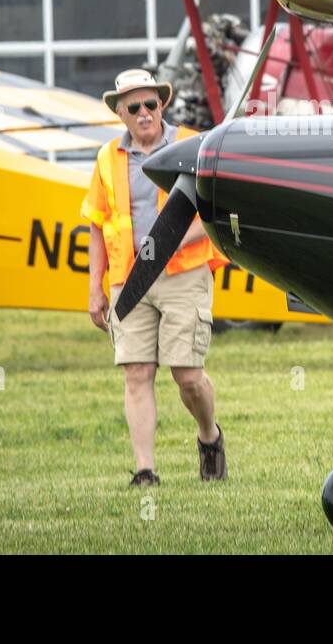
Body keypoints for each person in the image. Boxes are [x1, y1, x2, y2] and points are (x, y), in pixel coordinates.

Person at [82, 69, 229, 487]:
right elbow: (96, 223)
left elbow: (215, 209)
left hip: (183, 274)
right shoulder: (107, 158)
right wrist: (95, 287)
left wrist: (173, 241)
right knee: (136, 372)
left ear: (162, 105)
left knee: (187, 376)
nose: (145, 113)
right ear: (121, 114)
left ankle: (209, 435)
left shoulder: (194, 144)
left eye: (151, 104)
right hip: (127, 280)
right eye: (134, 107)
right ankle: (145, 470)